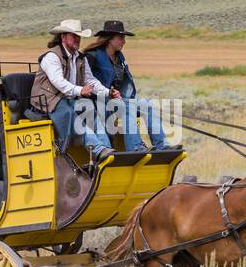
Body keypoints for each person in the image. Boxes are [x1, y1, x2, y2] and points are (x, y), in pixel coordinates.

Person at [28, 18, 117, 162]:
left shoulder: (80, 57)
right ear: (63, 37)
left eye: (78, 36)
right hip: (48, 101)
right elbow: (58, 82)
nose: (77, 39)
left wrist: (107, 92)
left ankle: (106, 149)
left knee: (91, 110)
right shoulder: (51, 57)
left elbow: (90, 80)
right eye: (73, 35)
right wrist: (79, 91)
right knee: (72, 115)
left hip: (68, 98)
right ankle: (99, 150)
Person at [83, 20, 175, 151]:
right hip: (97, 102)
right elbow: (85, 81)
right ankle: (135, 147)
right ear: (109, 39)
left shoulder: (119, 57)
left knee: (148, 104)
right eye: (120, 38)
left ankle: (162, 145)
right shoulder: (92, 56)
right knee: (127, 106)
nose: (124, 41)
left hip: (116, 100)